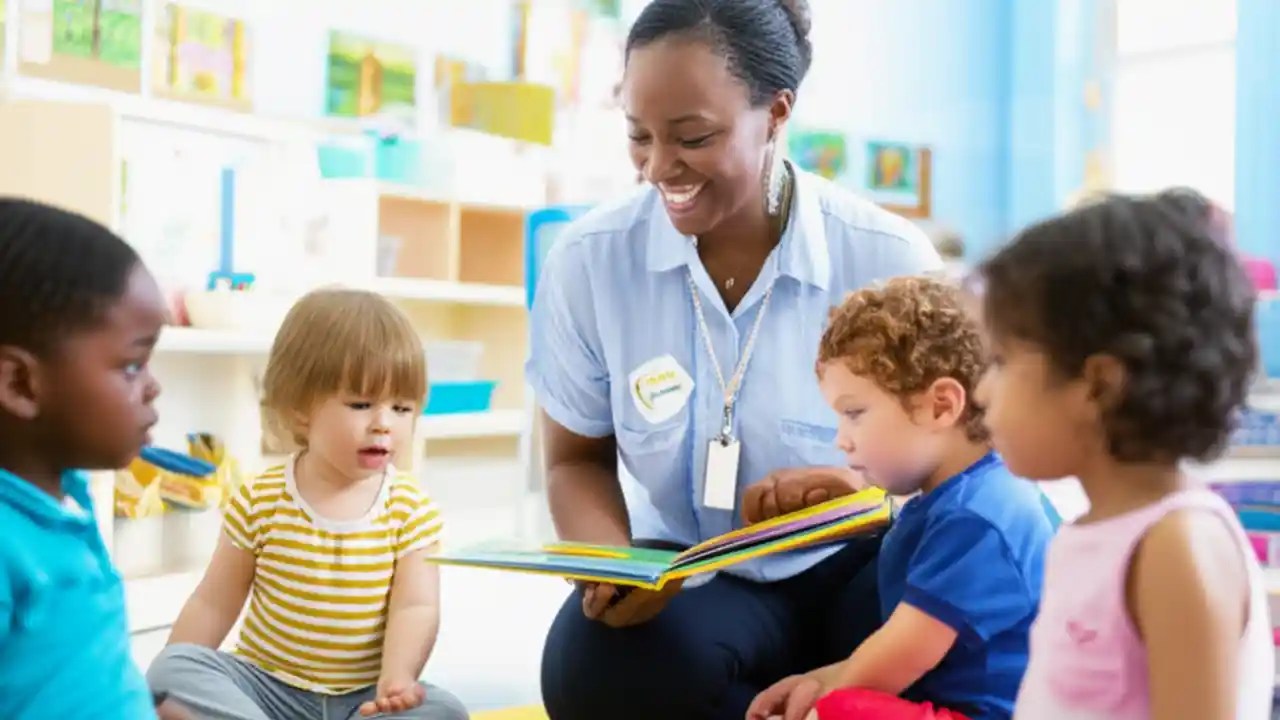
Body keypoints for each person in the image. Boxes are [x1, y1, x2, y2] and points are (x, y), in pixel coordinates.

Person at [527, 1, 942, 717]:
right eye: (639, 137)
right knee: (587, 664)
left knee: (967, 626)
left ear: (777, 113)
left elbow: (968, 474)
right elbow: (574, 458)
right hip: (695, 576)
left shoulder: (887, 260)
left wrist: (867, 491)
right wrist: (613, 566)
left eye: (693, 137)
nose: (659, 168)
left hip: (862, 572)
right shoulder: (591, 264)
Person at [974, 189, 1274, 719]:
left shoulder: (1176, 548)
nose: (981, 391)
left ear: (1097, 387)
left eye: (999, 360)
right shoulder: (1089, 529)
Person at [146, 289, 469, 720]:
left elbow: (417, 606)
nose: (383, 423)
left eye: (401, 408)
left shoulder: (411, 510)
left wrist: (397, 678)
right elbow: (213, 602)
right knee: (170, 671)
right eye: (361, 404)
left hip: (363, 700)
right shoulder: (261, 499)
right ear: (300, 411)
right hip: (264, 693)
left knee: (446, 711)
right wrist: (176, 672)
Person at [747, 277, 1056, 720]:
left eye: (854, 414)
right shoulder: (964, 495)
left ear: (940, 406)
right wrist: (813, 681)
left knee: (841, 712)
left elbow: (899, 658)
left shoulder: (978, 517)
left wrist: (816, 698)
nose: (842, 441)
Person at [0, 198, 189, 719]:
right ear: (19, 383)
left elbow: (69, 664)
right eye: (131, 365)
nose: (152, 387)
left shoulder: (62, 495)